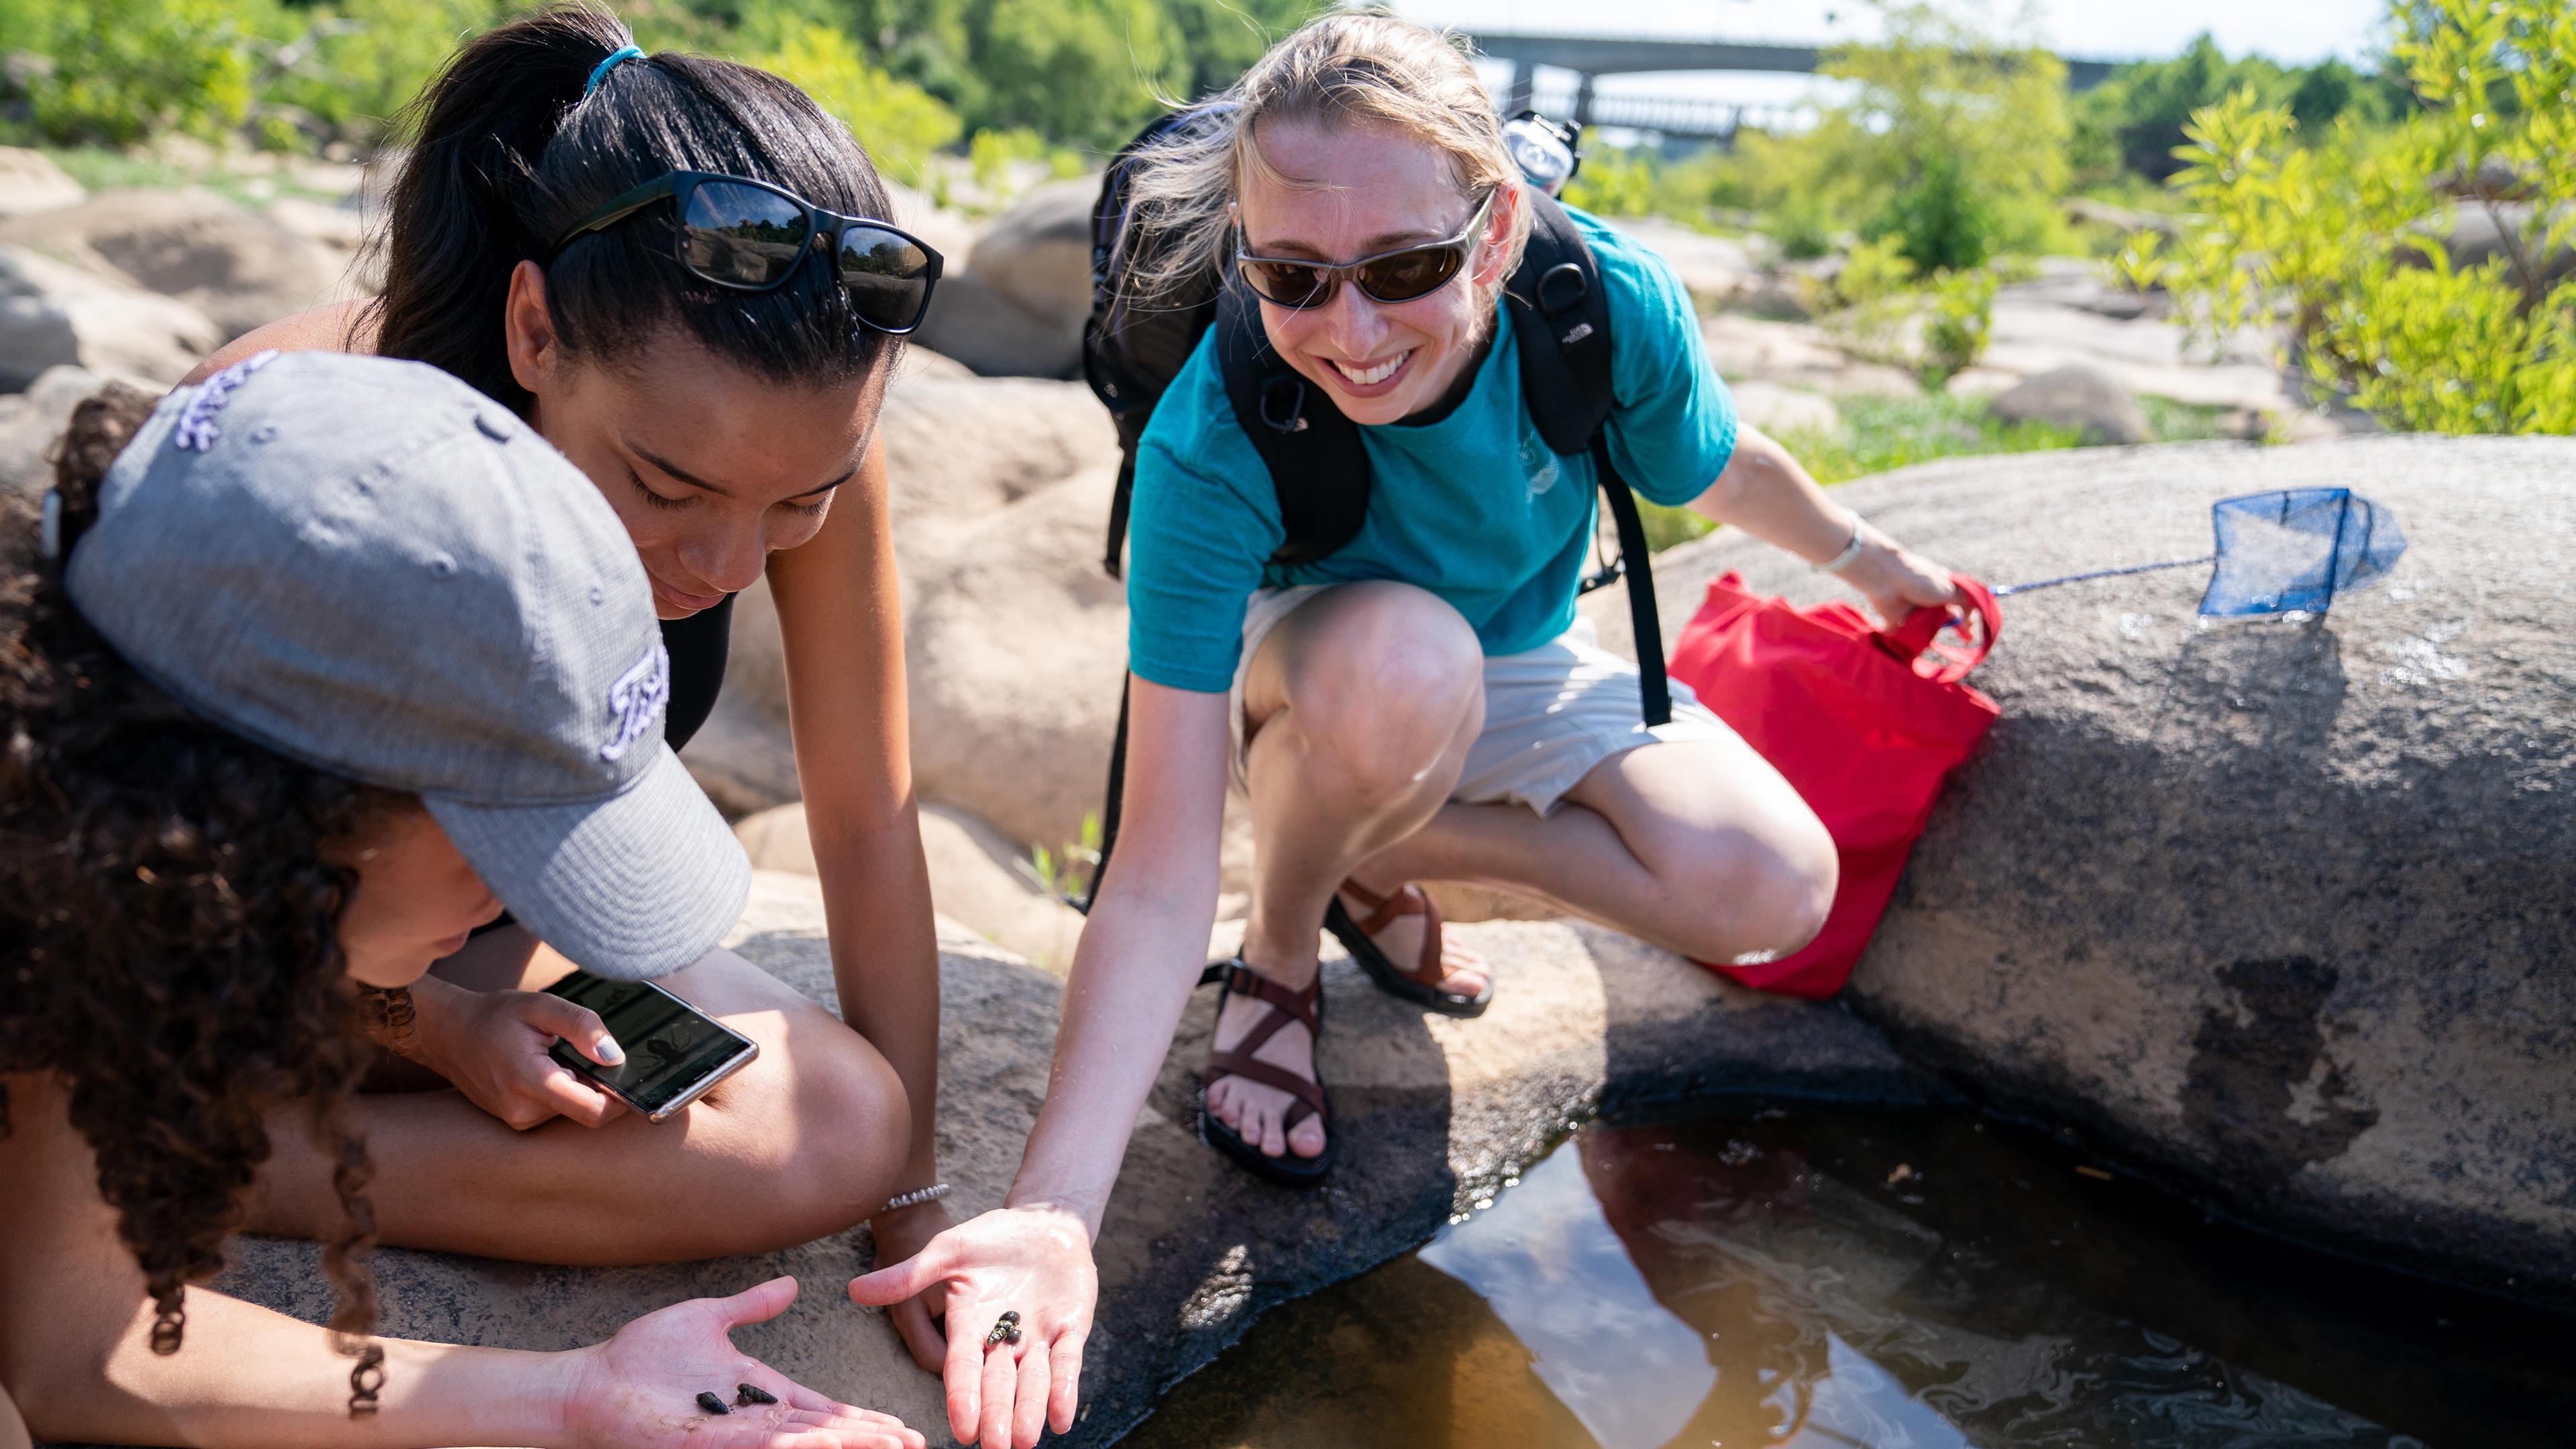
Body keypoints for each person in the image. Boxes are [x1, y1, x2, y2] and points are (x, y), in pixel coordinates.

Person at [847, 14, 1966, 1447]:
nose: (1354, 332)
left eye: (1409, 268)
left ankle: (1376, 846)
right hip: (1325, 669)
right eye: (1294, 278)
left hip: (1521, 660)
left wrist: (1874, 562)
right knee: (1402, 659)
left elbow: (1723, 461)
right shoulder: (1221, 428)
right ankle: (1288, 944)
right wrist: (1055, 1212)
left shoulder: (1599, 303)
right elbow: (1152, 865)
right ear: (1245, 256)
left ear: (1494, 232)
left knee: (1771, 889)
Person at [186, 5, 958, 1358]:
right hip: (209, 950)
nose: (724, 563)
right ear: (536, 331)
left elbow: (863, 816)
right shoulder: (329, 457)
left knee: (842, 1123)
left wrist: (913, 1204)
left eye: (797, 504)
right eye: (667, 486)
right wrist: (439, 1032)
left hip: (468, 923)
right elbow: (158, 872)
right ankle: (189, 1157)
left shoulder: (796, 440)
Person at [0, 356, 924, 1449]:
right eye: (507, 840)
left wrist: (581, 1394)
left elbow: (79, 1339)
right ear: (306, 794)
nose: (526, 906)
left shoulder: (99, 852)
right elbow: (65, 1357)